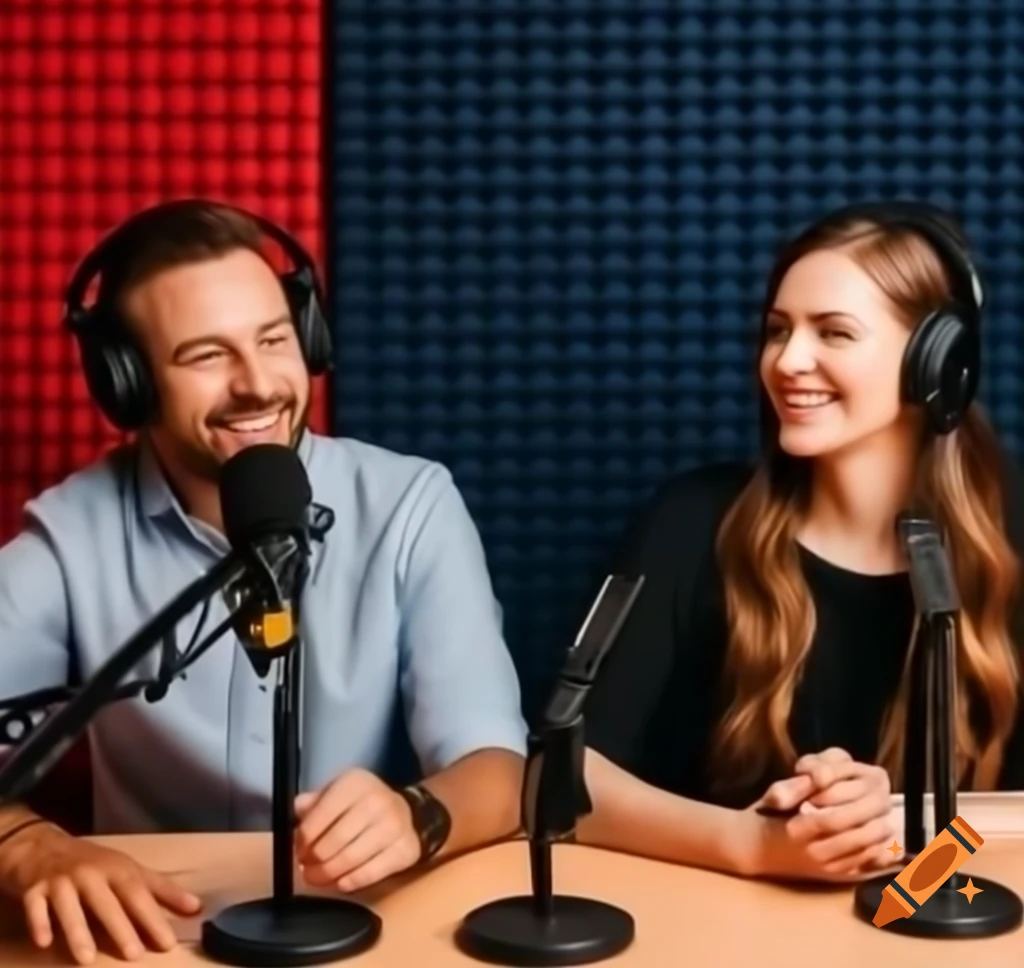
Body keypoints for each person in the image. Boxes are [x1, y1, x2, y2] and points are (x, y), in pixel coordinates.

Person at [0, 200, 528, 964]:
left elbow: (498, 769)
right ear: (128, 383)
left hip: (363, 931)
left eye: (275, 340)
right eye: (206, 356)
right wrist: (31, 848)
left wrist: (419, 815)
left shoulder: (410, 505)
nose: (257, 384)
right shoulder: (73, 535)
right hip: (151, 943)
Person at [576, 201, 1024, 883]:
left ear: (937, 360)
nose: (789, 361)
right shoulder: (693, 520)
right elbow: (563, 780)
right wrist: (754, 846)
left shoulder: (1011, 537)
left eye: (834, 333)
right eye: (778, 331)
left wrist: (896, 833)